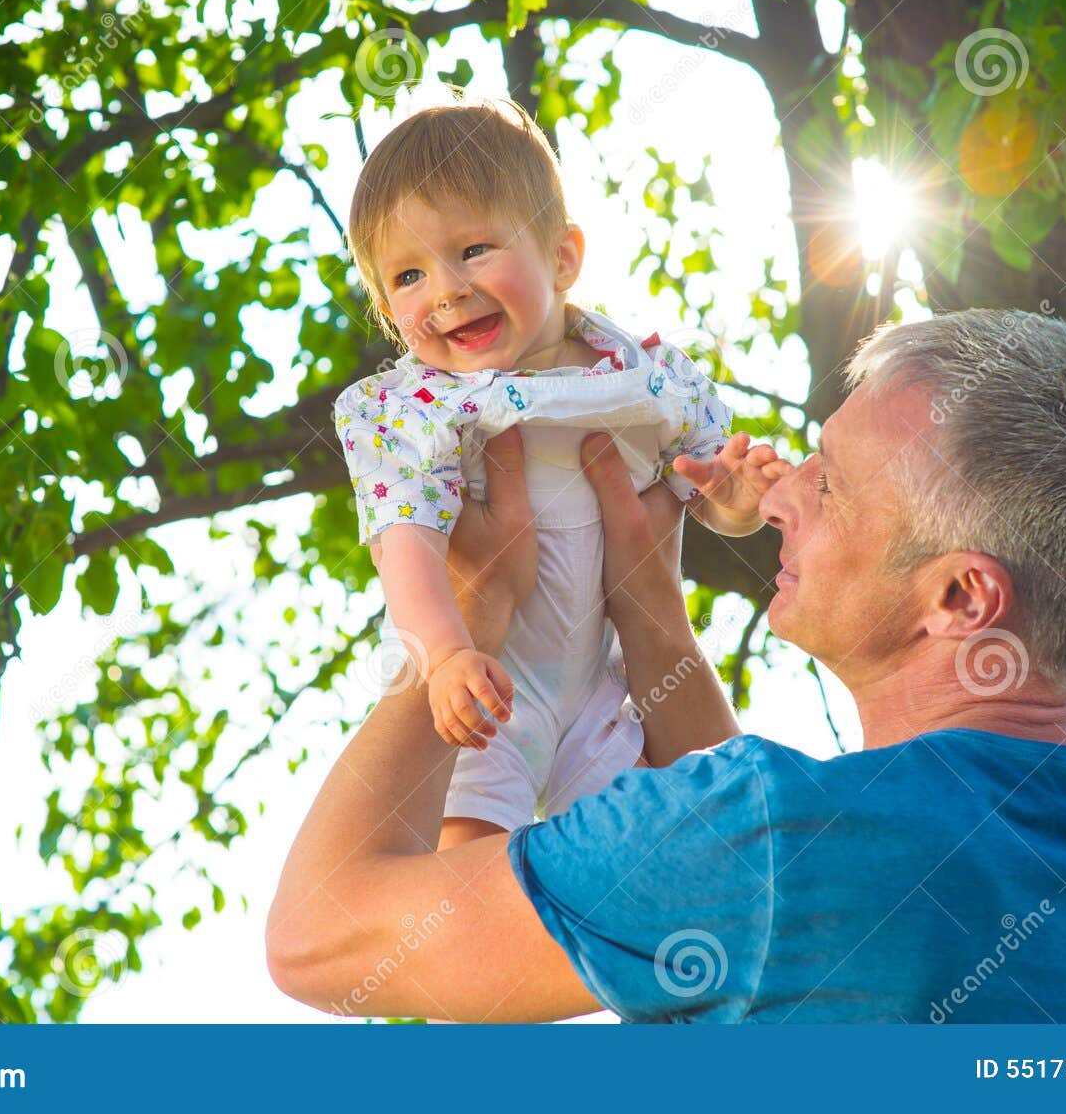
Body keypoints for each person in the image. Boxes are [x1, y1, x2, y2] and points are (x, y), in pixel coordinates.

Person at [271, 308, 1066, 1023]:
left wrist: (472, 612)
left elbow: (317, 937)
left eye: (832, 484)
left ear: (961, 600)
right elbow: (815, 903)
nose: (781, 499)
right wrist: (646, 608)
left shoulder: (758, 839)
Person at [333, 98, 788, 845]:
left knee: (654, 852)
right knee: (471, 872)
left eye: (474, 249)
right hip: (481, 673)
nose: (446, 289)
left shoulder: (647, 374)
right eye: (409, 275)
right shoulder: (412, 405)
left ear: (563, 256)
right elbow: (406, 544)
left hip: (606, 691)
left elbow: (704, 484)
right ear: (387, 311)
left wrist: (738, 501)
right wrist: (446, 656)